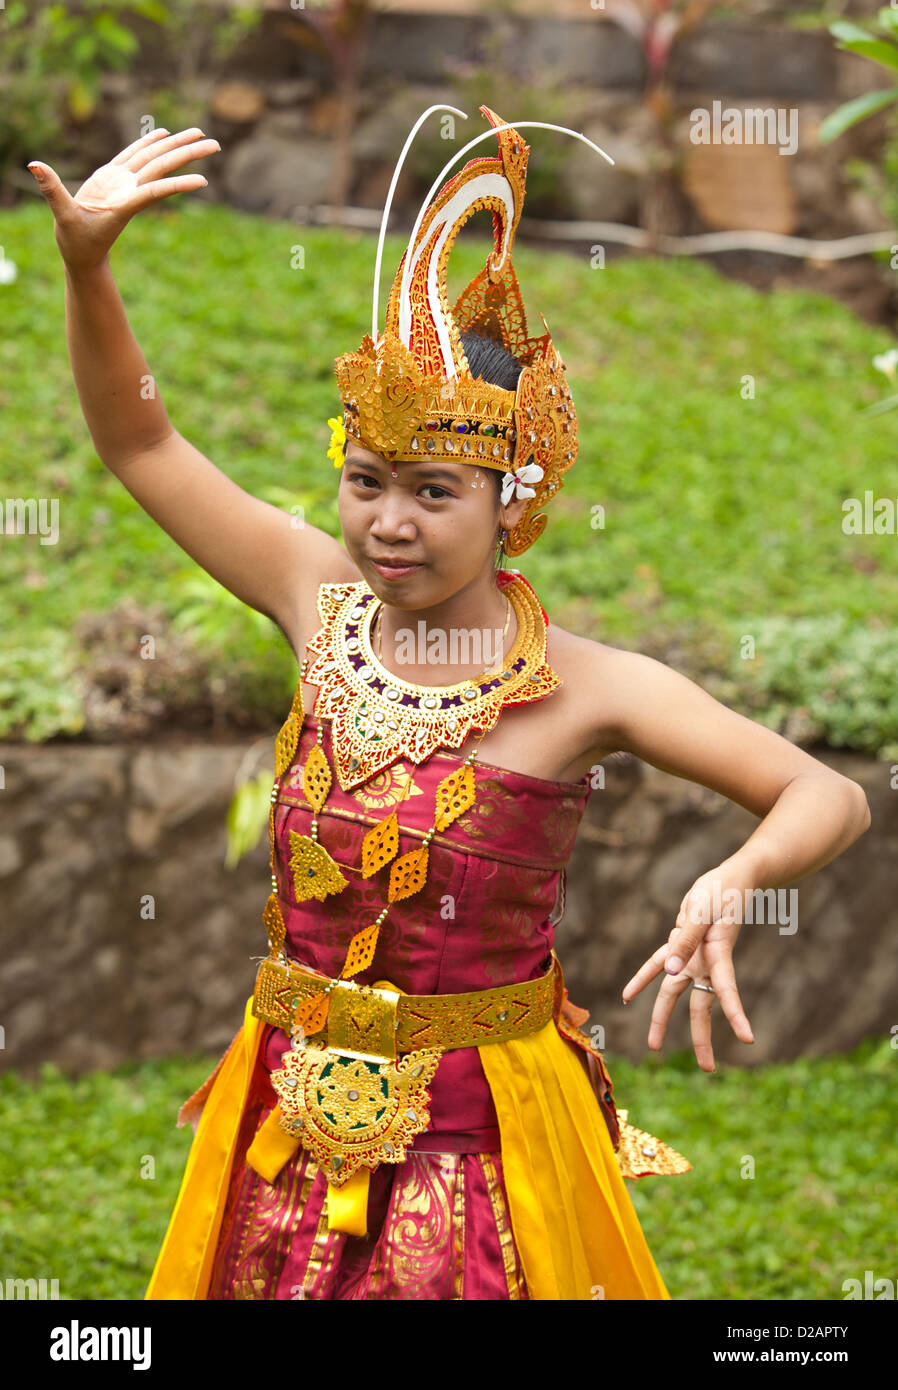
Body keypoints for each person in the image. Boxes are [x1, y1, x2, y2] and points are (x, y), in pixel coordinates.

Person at [29, 107, 871, 1302]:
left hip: (484, 1146)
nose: (388, 522)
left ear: (508, 506)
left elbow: (822, 791)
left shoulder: (589, 685)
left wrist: (733, 877)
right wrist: (88, 267)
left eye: (432, 491)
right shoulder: (313, 594)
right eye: (366, 483)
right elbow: (140, 438)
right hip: (281, 1111)